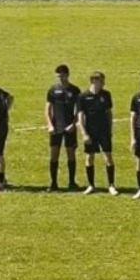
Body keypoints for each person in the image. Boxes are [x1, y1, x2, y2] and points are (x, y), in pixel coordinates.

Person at [76, 72, 117, 195]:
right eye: (101, 81)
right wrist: (84, 133)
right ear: (94, 81)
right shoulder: (83, 96)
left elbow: (109, 113)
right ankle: (91, 185)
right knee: (90, 157)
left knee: (108, 156)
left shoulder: (106, 94)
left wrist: (110, 129)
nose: (103, 83)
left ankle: (111, 185)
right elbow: (80, 116)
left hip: (104, 131)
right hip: (90, 131)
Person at [45, 64, 82, 192]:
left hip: (69, 127)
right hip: (56, 127)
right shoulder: (53, 90)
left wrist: (74, 124)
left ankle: (72, 182)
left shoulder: (75, 90)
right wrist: (50, 125)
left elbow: (79, 110)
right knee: (54, 155)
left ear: (67, 75)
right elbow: (47, 109)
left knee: (71, 154)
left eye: (62, 76)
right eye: (58, 76)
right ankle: (53, 183)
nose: (60, 79)